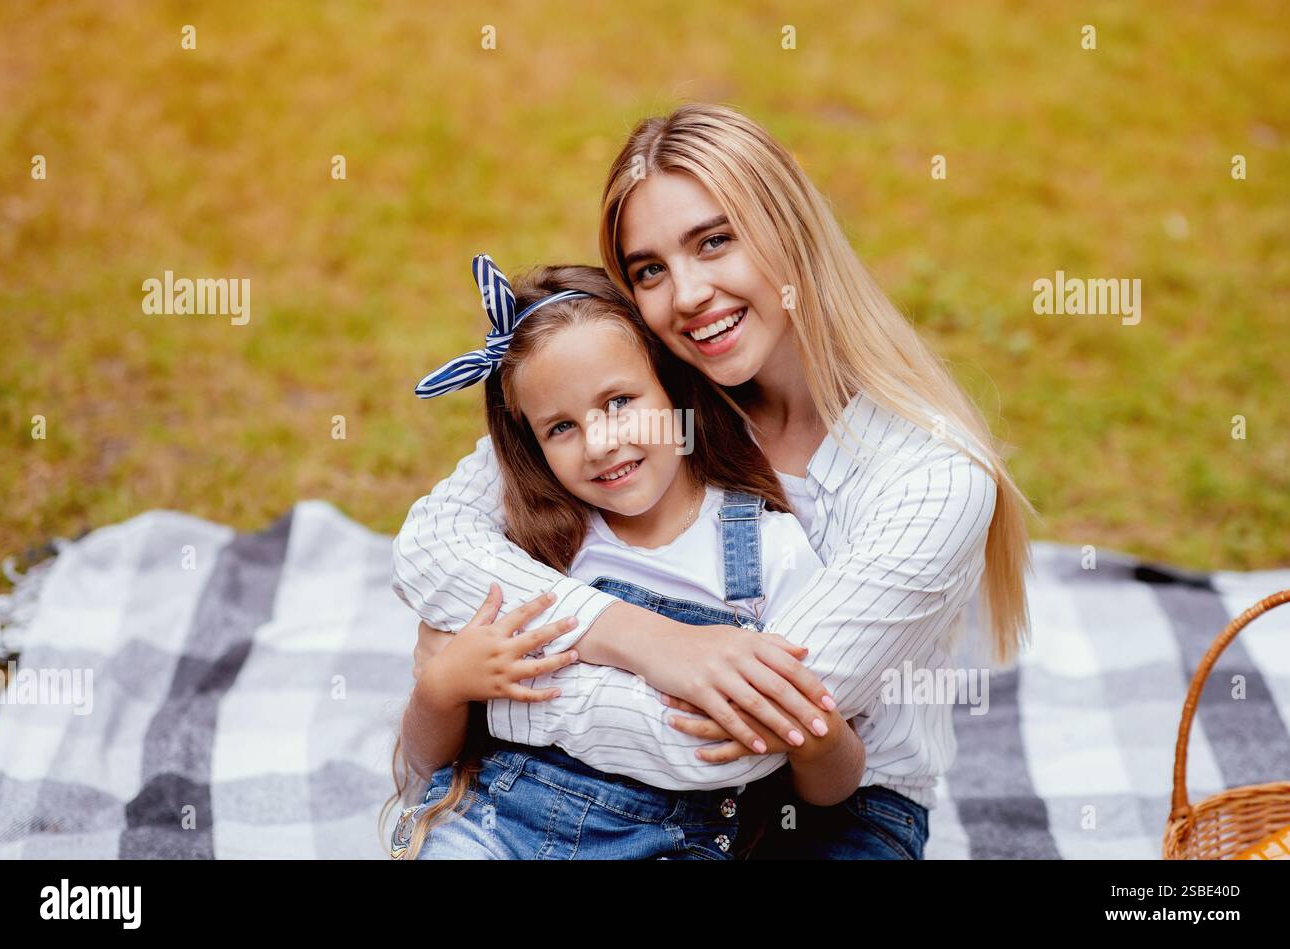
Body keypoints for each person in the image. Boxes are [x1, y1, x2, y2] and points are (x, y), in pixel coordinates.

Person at [395, 103, 1035, 859]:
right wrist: (645, 638)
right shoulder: (654, 404)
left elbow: (736, 738)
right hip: (588, 791)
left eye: (715, 241)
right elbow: (433, 544)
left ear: (789, 231)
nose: (689, 294)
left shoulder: (932, 477)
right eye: (650, 271)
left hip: (836, 811)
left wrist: (479, 684)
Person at [384, 256, 864, 859]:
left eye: (618, 401)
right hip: (500, 826)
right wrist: (442, 688)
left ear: (672, 385)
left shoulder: (768, 550)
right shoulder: (535, 553)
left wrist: (813, 737)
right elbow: (428, 765)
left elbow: (832, 785)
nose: (600, 443)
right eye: (561, 427)